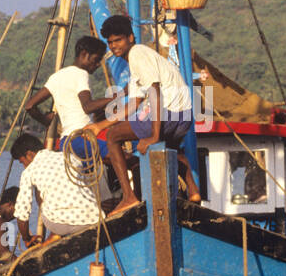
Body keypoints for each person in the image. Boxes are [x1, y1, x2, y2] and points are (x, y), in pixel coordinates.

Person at [99, 14, 200, 212]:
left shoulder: (137, 54)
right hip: (184, 117)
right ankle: (193, 190)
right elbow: (134, 104)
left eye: (118, 40)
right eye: (110, 42)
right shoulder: (138, 60)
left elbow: (154, 90)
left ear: (130, 38)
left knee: (112, 137)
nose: (114, 46)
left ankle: (129, 197)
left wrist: (153, 135)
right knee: (172, 150)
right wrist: (98, 125)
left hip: (170, 113)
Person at [25, 36, 110, 159]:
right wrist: (115, 97)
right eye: (96, 60)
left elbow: (30, 106)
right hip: (81, 138)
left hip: (66, 142)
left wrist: (45, 121)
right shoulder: (81, 74)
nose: (97, 65)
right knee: (126, 158)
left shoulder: (56, 76)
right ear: (84, 54)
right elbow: (88, 107)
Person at [11, 134, 103, 245]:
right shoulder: (69, 157)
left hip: (63, 226)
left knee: (41, 195)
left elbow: (22, 214)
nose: (24, 166)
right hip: (95, 216)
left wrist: (26, 239)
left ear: (29, 154)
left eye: (22, 162)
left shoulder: (28, 172)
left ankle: (55, 234)